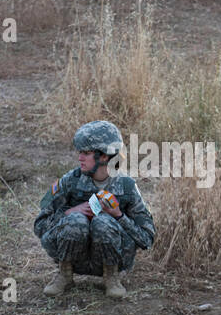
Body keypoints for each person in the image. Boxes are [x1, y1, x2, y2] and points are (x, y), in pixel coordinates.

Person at [35, 120, 155, 299]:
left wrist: (118, 216)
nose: (79, 158)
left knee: (103, 221)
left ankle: (111, 278)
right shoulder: (70, 181)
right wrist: (70, 212)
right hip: (75, 257)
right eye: (80, 152)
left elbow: (147, 238)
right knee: (76, 220)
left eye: (86, 153)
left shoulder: (126, 186)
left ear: (104, 156)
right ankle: (65, 275)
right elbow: (40, 225)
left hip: (114, 257)